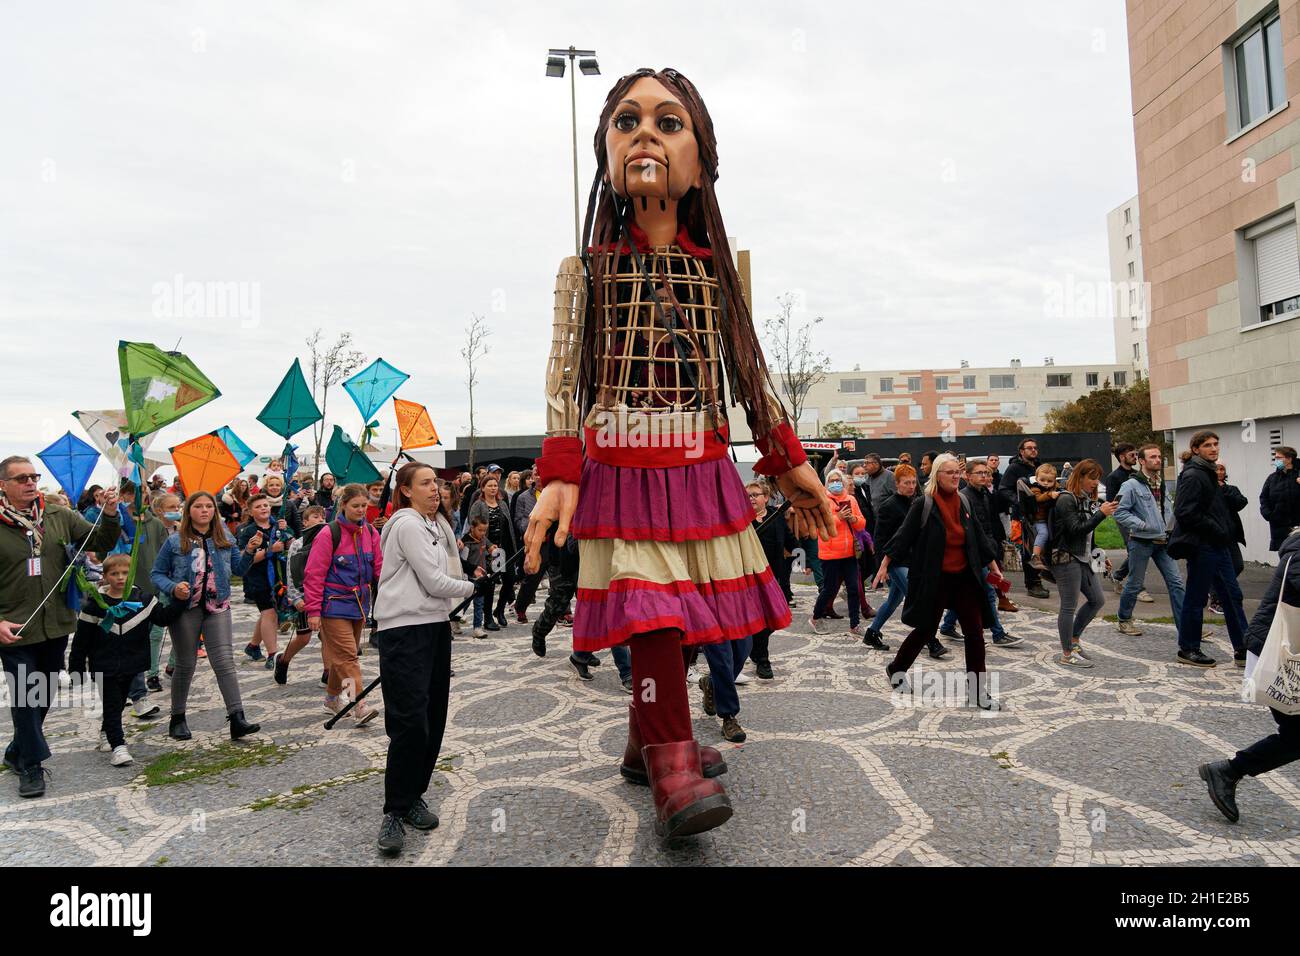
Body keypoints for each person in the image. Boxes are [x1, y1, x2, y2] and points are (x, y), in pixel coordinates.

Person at [522, 67, 833, 841]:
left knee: (691, 620)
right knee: (656, 614)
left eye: (668, 122)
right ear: (606, 150)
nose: (645, 135)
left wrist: (787, 460)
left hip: (701, 469)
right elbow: (563, 374)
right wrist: (559, 471)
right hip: (622, 469)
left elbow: (750, 373)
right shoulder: (583, 272)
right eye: (626, 121)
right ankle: (670, 765)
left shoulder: (720, 273)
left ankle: (645, 741)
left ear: (701, 159)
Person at [373, 462, 491, 857]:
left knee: (432, 718)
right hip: (403, 629)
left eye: (435, 484)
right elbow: (433, 580)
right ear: (406, 490)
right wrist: (472, 587)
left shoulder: (436, 524)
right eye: (424, 484)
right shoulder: (407, 524)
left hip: (435, 626)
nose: (434, 490)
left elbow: (447, 571)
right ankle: (394, 811)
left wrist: (469, 577)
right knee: (409, 722)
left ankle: (414, 796)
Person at [0, 457, 123, 798]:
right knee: (25, 693)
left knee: (43, 692)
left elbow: (100, 541)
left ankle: (17, 750)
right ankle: (31, 766)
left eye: (33, 476)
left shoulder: (58, 515)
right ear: (3, 485)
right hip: (14, 627)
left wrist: (110, 513)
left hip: (54, 622)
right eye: (21, 478)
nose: (30, 482)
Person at [876, 454, 1001, 709]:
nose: (955, 476)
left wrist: (994, 568)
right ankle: (896, 668)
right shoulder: (924, 503)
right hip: (935, 578)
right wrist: (885, 564)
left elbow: (978, 537)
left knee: (975, 632)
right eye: (949, 472)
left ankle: (977, 690)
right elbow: (903, 536)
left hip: (964, 577)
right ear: (936, 475)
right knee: (926, 629)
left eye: (957, 472)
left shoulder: (964, 501)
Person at [1198, 528, 1300, 823]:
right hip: (1278, 651)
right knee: (1297, 735)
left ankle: (1228, 772)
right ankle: (1228, 771)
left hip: (1286, 649)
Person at [150, 491, 260, 741]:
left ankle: (237, 718)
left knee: (224, 662)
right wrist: (173, 588)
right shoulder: (175, 541)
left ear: (214, 511)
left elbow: (239, 570)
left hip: (217, 605)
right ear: (188, 511)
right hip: (186, 608)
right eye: (198, 506)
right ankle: (177, 718)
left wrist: (250, 551)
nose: (204, 510)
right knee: (185, 663)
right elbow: (157, 573)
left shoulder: (225, 537)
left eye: (209, 506)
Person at [68, 553, 181, 767]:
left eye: (125, 573)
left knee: (119, 702)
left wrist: (180, 600)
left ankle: (106, 731)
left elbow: (162, 618)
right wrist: (76, 668)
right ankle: (118, 747)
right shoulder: (95, 604)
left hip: (132, 663)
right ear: (105, 576)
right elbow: (81, 640)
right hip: (104, 665)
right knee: (112, 703)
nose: (120, 577)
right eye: (114, 574)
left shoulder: (143, 600)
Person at [1169, 431, 1250, 668]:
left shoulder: (1209, 472)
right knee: (1196, 597)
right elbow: (1185, 512)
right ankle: (1188, 648)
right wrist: (1216, 529)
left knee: (1232, 595)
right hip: (1203, 545)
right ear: (1196, 449)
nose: (1214, 448)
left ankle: (1244, 648)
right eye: (1207, 445)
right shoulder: (1194, 474)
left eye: (1216, 444)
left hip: (1218, 544)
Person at [304, 484, 383, 724]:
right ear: (343, 505)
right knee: (348, 657)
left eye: (364, 506)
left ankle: (331, 699)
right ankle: (358, 703)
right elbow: (314, 574)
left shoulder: (371, 532)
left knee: (341, 657)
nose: (361, 510)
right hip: (333, 605)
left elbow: (380, 569)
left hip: (359, 604)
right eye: (355, 505)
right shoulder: (328, 534)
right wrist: (313, 611)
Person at [938, 459, 1022, 647]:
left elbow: (988, 526)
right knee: (988, 593)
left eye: (986, 473)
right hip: (973, 555)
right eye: (980, 473)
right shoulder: (964, 497)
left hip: (985, 552)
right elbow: (972, 532)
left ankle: (947, 626)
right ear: (968, 476)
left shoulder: (984, 494)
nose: (984, 476)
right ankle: (998, 634)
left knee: (968, 594)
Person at [1113, 443, 1184, 639]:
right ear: (1142, 461)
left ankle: (1186, 626)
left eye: (1159, 457)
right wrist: (1142, 525)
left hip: (1163, 541)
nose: (1158, 460)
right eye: (1153, 457)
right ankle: (1124, 619)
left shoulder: (1162, 483)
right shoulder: (1131, 485)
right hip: (1141, 541)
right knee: (1134, 584)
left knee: (1177, 583)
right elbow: (1119, 512)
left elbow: (1165, 510)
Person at [1051, 460, 1117, 668]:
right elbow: (1075, 530)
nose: (1096, 483)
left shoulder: (1086, 499)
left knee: (1097, 600)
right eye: (1092, 478)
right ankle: (1067, 653)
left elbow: (1088, 535)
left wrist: (1099, 555)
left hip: (1083, 556)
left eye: (1098, 478)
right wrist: (1101, 514)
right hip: (1066, 557)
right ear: (1079, 477)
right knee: (1068, 606)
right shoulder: (1066, 499)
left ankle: (1074, 640)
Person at [862, 464, 920, 653]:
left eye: (913, 482)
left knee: (894, 600)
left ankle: (872, 632)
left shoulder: (914, 502)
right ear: (897, 484)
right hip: (894, 561)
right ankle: (929, 638)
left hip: (910, 559)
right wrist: (882, 566)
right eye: (906, 483)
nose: (911, 486)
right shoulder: (889, 506)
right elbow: (879, 538)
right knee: (915, 598)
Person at [747, 480, 799, 676]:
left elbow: (789, 539)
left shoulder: (775, 516)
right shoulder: (741, 520)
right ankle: (763, 660)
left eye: (755, 494)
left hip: (772, 577)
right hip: (748, 577)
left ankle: (756, 650)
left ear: (766, 497)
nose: (751, 499)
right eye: (748, 495)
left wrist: (805, 559)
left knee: (774, 616)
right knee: (759, 618)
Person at [236, 494, 292, 666]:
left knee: (268, 613)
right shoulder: (248, 531)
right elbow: (245, 559)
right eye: (258, 506)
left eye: (265, 505)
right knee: (270, 613)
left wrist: (287, 534)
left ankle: (253, 646)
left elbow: (291, 545)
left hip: (279, 577)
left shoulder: (278, 526)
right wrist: (270, 550)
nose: (263, 508)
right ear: (250, 512)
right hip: (258, 578)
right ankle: (273, 654)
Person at [809, 469, 866, 637]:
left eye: (838, 480)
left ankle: (854, 624)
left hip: (849, 553)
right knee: (829, 589)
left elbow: (862, 524)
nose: (835, 483)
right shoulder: (823, 501)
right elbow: (819, 526)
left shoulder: (851, 500)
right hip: (830, 553)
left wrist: (853, 519)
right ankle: (815, 617)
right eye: (832, 481)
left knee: (854, 589)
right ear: (827, 484)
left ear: (843, 482)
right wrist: (838, 518)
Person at [279, 504, 328, 685]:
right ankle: (283, 660)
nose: (320, 519)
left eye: (323, 517)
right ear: (305, 522)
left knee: (327, 636)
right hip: (304, 596)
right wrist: (296, 598)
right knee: (303, 638)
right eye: (315, 516)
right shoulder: (298, 544)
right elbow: (291, 573)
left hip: (326, 595)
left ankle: (328, 673)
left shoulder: (329, 540)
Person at [999, 437, 1048, 599]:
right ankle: (1033, 584)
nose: (1033, 450)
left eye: (1035, 447)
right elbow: (1004, 489)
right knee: (1029, 549)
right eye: (1029, 448)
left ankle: (1044, 575)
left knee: (1042, 546)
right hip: (1024, 516)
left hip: (1042, 513)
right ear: (1021, 451)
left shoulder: (1039, 466)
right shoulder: (1014, 468)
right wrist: (1019, 501)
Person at [467, 475, 517, 630]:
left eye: (495, 485)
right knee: (490, 584)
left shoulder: (502, 503)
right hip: (488, 551)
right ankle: (488, 618)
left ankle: (499, 610)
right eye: (489, 485)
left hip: (504, 550)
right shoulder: (478, 505)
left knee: (510, 580)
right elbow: (475, 529)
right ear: (483, 488)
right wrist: (489, 545)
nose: (493, 488)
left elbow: (509, 527)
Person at [1104, 443, 1146, 600]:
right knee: (1134, 550)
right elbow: (1111, 501)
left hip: (1140, 517)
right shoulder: (1113, 477)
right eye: (1132, 455)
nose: (1135, 457)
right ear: (1122, 457)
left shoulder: (1137, 474)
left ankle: (1118, 576)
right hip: (1124, 518)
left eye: (1136, 454)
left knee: (1139, 550)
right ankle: (1138, 587)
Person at [1020, 463, 1060, 573]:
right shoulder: (1035, 488)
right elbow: (1038, 498)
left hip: (1050, 520)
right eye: (1042, 480)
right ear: (1037, 478)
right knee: (1044, 533)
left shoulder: (1055, 488)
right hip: (1039, 520)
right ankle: (1035, 556)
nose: (1046, 483)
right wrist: (1050, 495)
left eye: (1049, 481)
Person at [1260, 445, 1300, 553]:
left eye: (1279, 457)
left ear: (1289, 459)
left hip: (1297, 525)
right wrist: (1269, 514)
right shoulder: (1272, 478)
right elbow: (1264, 498)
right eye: (1275, 457)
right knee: (1284, 554)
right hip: (1279, 526)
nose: (1276, 460)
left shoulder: (1298, 475)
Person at [860, 453, 896, 517]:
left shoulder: (890, 477)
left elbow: (897, 498)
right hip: (873, 519)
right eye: (864, 463)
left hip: (888, 518)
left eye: (867, 463)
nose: (864, 465)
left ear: (876, 464)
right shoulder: (867, 478)